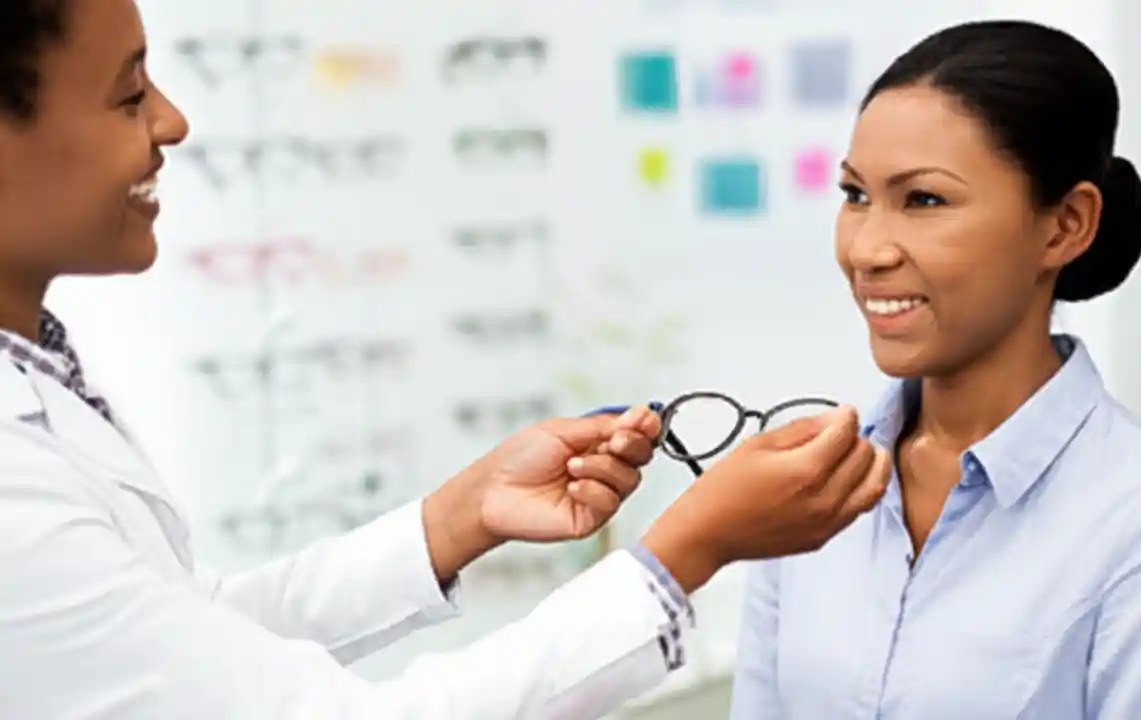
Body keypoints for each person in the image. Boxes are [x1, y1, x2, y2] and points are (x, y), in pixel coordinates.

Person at [0, 1, 891, 718]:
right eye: (127, 96)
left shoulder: (42, 382)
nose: (174, 120)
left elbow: (191, 645)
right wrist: (687, 551)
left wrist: (460, 516)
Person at [729, 19, 1141, 720]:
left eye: (924, 200)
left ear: (1066, 224)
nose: (867, 249)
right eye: (856, 196)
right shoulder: (809, 481)